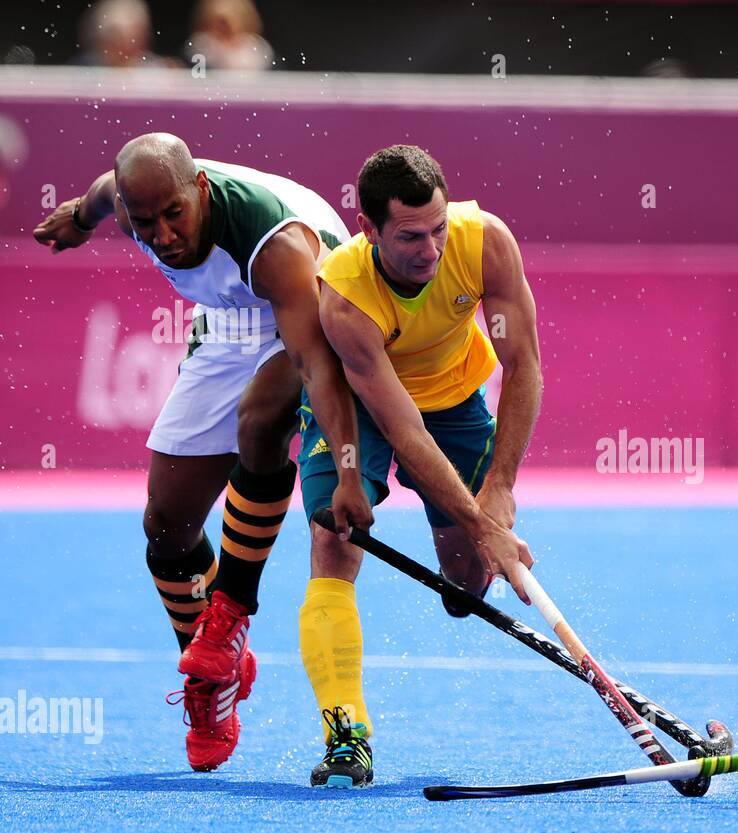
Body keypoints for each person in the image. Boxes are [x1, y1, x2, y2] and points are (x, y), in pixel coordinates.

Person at [33, 133, 370, 773]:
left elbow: (315, 365)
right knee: (165, 527)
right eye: (145, 220)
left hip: (302, 308)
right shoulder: (129, 199)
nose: (159, 234)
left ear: (201, 191)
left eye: (173, 215)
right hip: (226, 321)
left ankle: (231, 613)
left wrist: (348, 470)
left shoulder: (277, 246)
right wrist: (78, 220)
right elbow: (102, 196)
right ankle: (214, 678)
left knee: (260, 420)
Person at [298, 144, 540, 788]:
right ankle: (345, 733)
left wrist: (499, 491)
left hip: (456, 399)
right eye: (409, 237)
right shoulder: (344, 294)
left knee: (465, 584)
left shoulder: (485, 242)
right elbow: (401, 428)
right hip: (363, 412)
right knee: (333, 539)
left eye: (437, 230)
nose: (431, 251)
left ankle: (464, 562)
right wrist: (354, 479)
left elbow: (523, 368)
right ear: (368, 228)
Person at [184, 0, 274, 72]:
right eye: (220, 23)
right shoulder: (201, 46)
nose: (225, 28)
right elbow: (194, 75)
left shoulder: (258, 48)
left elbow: (276, 79)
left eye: (228, 22)